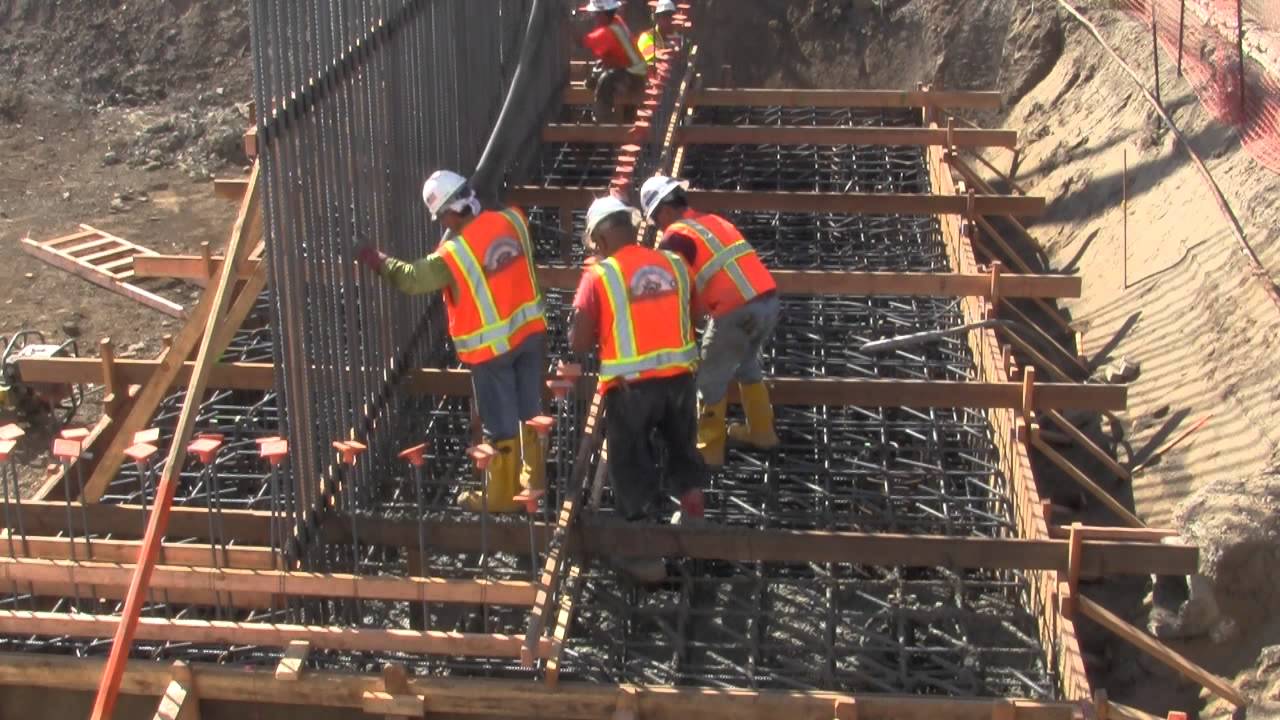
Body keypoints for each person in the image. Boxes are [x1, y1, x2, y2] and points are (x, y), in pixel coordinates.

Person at [356, 170, 547, 513]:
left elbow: (412, 279)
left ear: (446, 213)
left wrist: (374, 258)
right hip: (530, 334)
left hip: (493, 351)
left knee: (501, 424)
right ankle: (533, 486)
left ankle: (503, 499)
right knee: (529, 412)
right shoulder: (514, 219)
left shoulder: (454, 254)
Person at [569, 196, 707, 534]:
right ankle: (694, 518)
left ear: (599, 240)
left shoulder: (600, 275)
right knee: (682, 449)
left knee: (629, 461)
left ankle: (641, 539)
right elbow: (696, 312)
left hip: (631, 388)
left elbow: (580, 342)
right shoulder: (675, 263)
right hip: (682, 380)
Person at [639, 175, 781, 467]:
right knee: (746, 363)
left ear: (662, 211)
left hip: (737, 312)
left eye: (655, 220)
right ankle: (763, 433)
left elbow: (671, 291)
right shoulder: (712, 222)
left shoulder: (674, 237)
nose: (658, 227)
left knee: (710, 382)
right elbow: (716, 277)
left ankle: (707, 454)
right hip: (767, 302)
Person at [580, 0, 648, 123]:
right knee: (600, 66)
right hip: (631, 70)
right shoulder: (616, 21)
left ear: (604, 15)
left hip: (634, 75)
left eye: (596, 14)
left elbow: (583, 42)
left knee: (605, 79)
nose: (594, 18)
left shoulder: (609, 32)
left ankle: (602, 117)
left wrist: (568, 24)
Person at [637, 0, 679, 65]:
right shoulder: (646, 37)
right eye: (665, 16)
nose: (669, 20)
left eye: (671, 16)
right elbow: (655, 54)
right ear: (657, 18)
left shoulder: (679, 36)